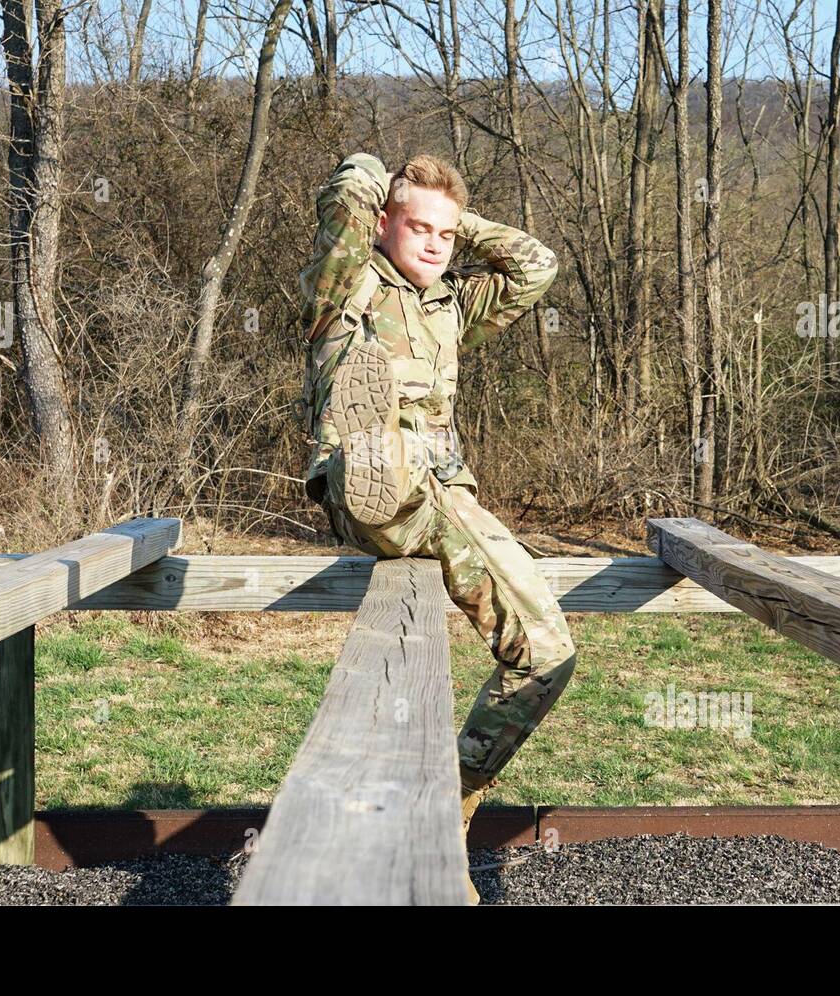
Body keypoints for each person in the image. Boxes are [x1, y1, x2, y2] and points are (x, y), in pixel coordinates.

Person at [295, 151, 577, 904]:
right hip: (362, 491)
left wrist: (455, 222)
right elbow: (347, 188)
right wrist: (380, 179)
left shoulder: (453, 305)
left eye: (443, 236)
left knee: (548, 651)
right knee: (380, 466)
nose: (430, 244)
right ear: (384, 223)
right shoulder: (345, 281)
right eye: (414, 228)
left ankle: (445, 802)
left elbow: (537, 267)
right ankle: (372, 449)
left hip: (444, 498)